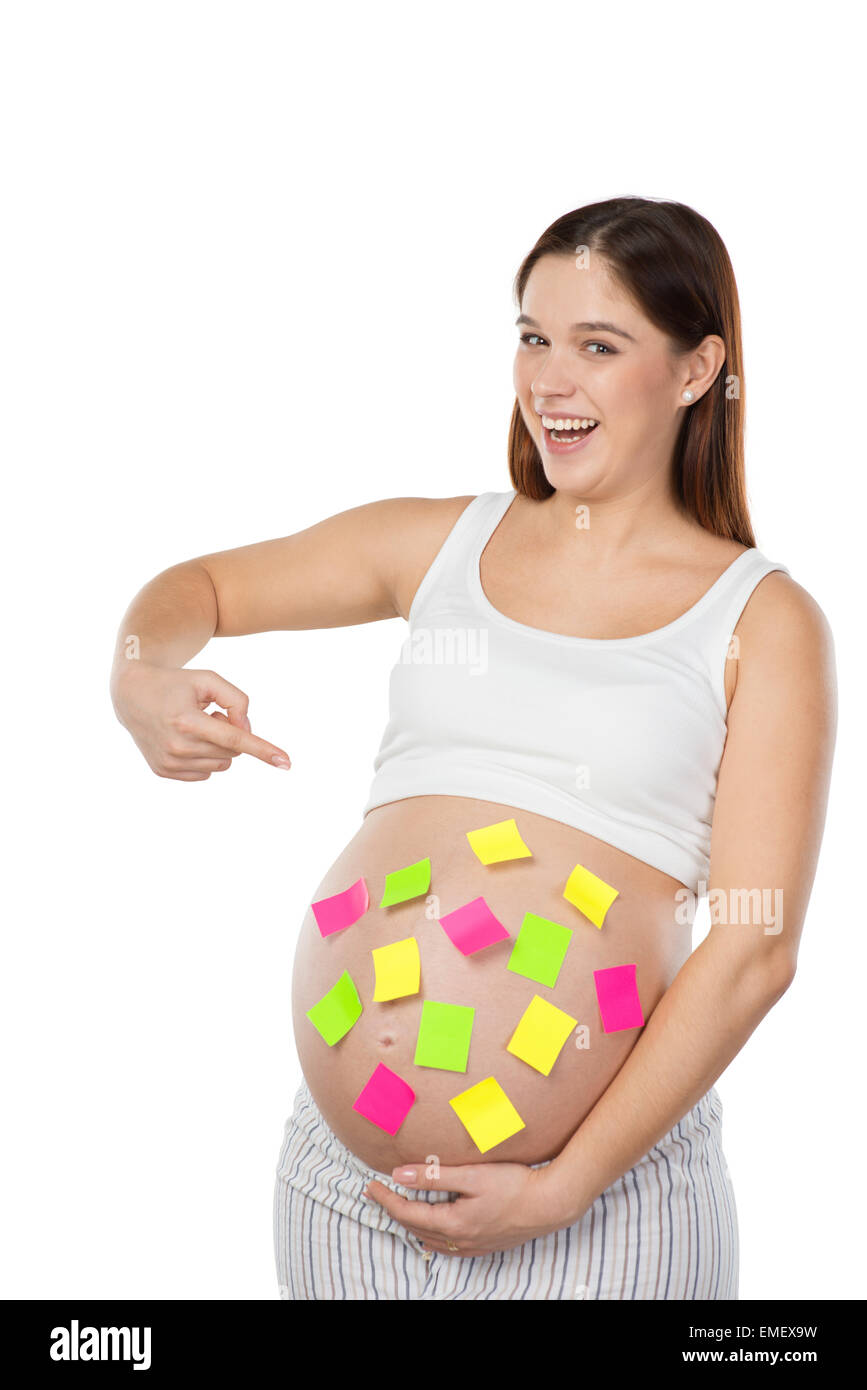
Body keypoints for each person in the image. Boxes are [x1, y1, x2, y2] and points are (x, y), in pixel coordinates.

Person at [110, 196, 837, 1300]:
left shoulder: (759, 620)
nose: (551, 378)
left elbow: (753, 949)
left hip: (604, 1208)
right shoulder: (436, 544)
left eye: (599, 345)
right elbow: (195, 590)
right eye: (533, 336)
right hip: (348, 1196)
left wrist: (565, 1186)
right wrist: (137, 673)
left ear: (696, 371)